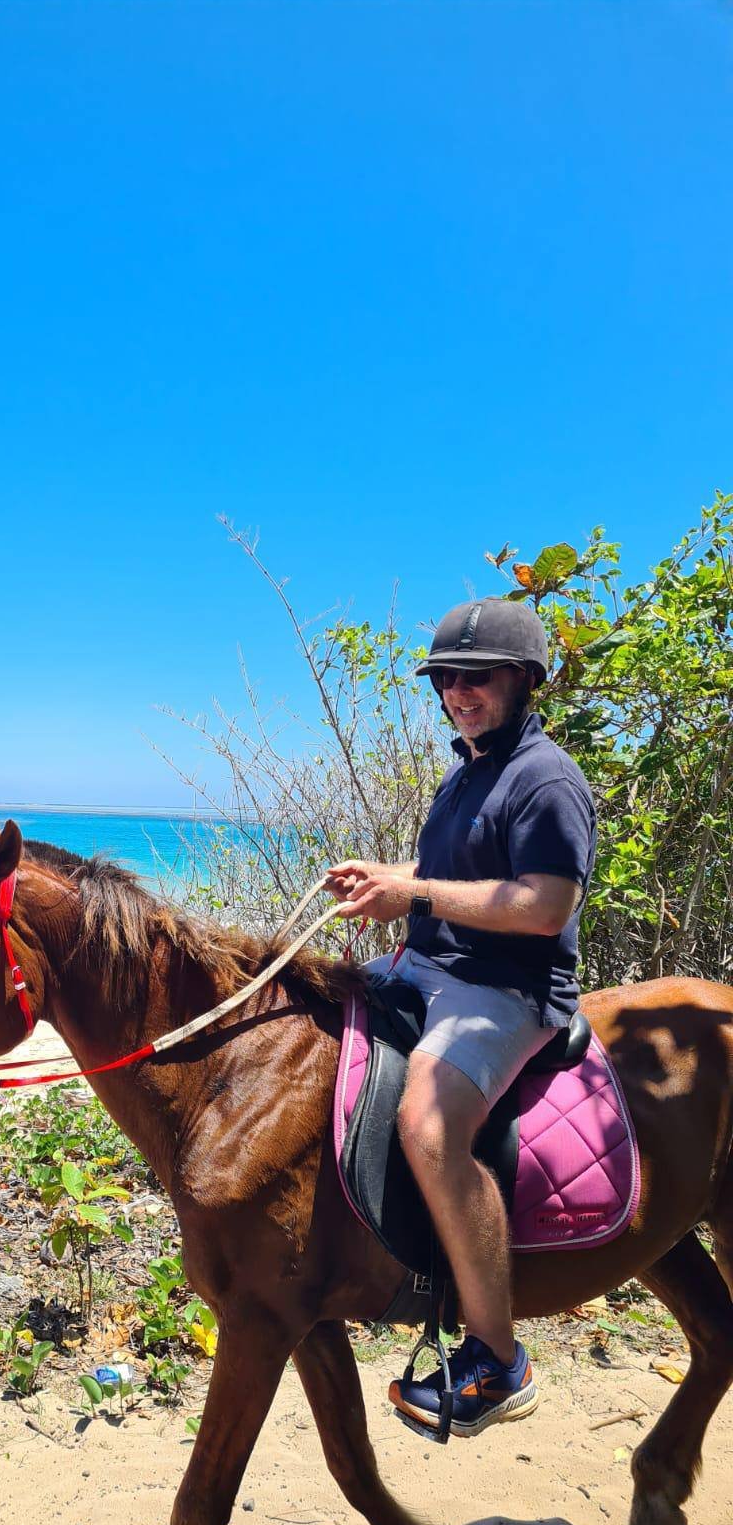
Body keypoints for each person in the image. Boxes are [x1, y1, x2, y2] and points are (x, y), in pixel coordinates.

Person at [324, 597, 597, 1439]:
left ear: (523, 679)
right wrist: (389, 877)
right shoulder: (470, 768)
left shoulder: (547, 779)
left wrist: (418, 892)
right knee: (303, 1015)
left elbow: (544, 904)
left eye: (475, 678)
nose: (457, 693)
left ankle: (495, 1358)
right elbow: (451, 867)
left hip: (505, 989)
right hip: (428, 967)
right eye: (445, 679)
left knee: (431, 1128)